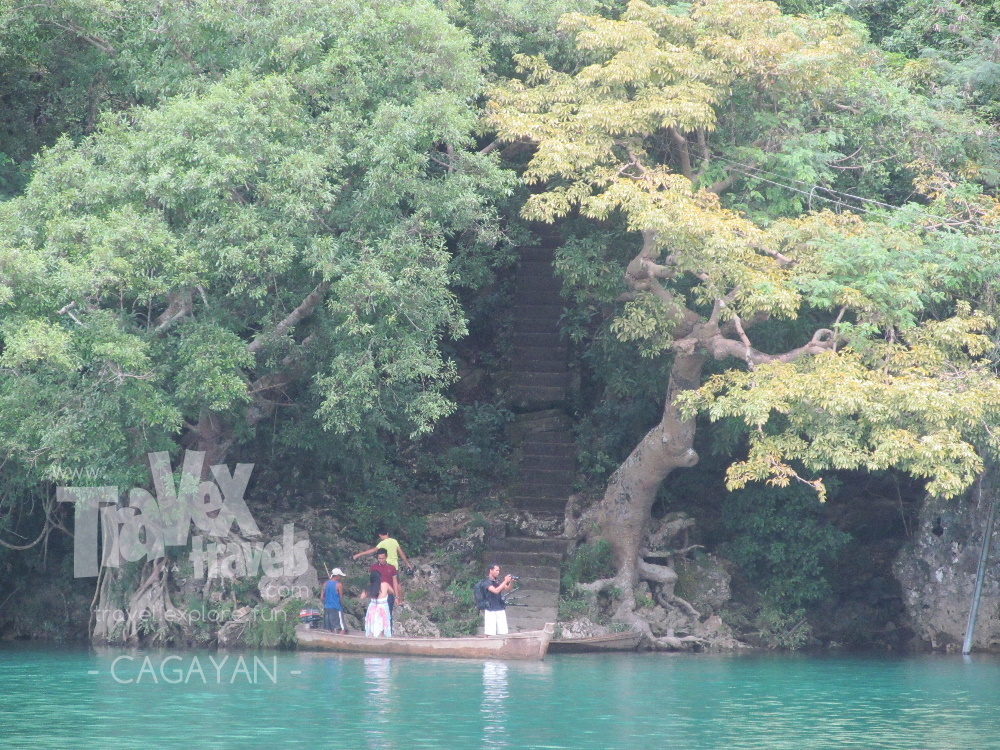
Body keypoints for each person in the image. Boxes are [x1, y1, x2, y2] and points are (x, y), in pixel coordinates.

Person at [365, 547, 400, 621]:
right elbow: (372, 580)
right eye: (379, 558)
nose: (381, 560)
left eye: (383, 558)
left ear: (386, 557)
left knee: (388, 615)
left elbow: (395, 582)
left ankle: (388, 632)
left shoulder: (392, 568)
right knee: (375, 614)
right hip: (376, 593)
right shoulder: (373, 567)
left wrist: (397, 597)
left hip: (389, 594)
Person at [481, 564, 514, 636]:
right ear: (491, 570)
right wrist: (505, 581)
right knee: (490, 632)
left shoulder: (498, 581)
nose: (498, 572)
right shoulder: (486, 582)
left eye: (499, 570)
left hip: (500, 607)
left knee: (503, 631)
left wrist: (511, 581)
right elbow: (496, 591)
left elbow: (507, 589)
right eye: (496, 570)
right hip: (490, 608)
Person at [360, 570, 392, 638]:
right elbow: (392, 592)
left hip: (372, 608)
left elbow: (361, 597)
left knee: (372, 626)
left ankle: (370, 641)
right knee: (382, 627)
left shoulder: (370, 587)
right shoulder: (385, 584)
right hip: (382, 608)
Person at [321, 568, 347, 634]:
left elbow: (321, 597)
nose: (340, 577)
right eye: (340, 576)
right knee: (342, 628)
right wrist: (341, 606)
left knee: (329, 629)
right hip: (336, 608)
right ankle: (341, 641)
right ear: (337, 575)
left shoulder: (325, 584)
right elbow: (341, 598)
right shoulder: (339, 585)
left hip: (327, 608)